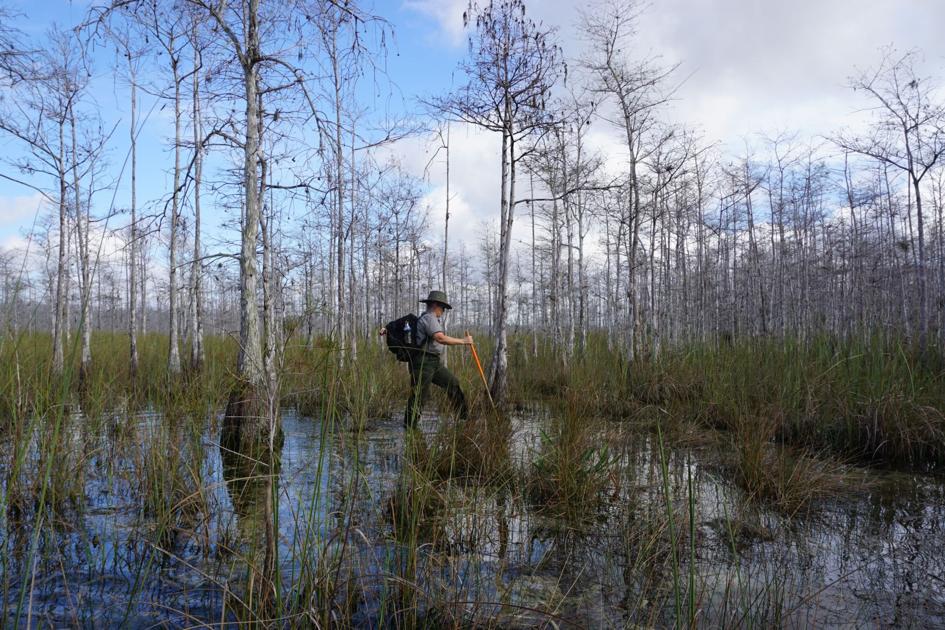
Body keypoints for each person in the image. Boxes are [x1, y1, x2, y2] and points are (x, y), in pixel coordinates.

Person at [381, 290, 472, 429]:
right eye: (443, 307)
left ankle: (463, 419)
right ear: (435, 305)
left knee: (452, 383)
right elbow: (440, 338)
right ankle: (409, 428)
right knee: (419, 396)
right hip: (423, 362)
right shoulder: (429, 318)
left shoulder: (430, 319)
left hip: (434, 362)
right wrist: (464, 341)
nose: (443, 311)